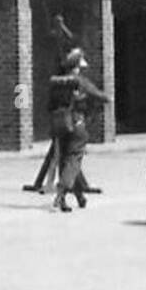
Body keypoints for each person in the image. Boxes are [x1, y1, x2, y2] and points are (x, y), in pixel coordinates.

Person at [47, 48, 110, 213]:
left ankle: (79, 196)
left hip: (60, 125)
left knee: (66, 160)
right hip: (77, 124)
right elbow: (102, 97)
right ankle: (61, 193)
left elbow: (49, 105)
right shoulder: (80, 82)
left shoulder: (56, 83)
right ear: (76, 66)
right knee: (74, 159)